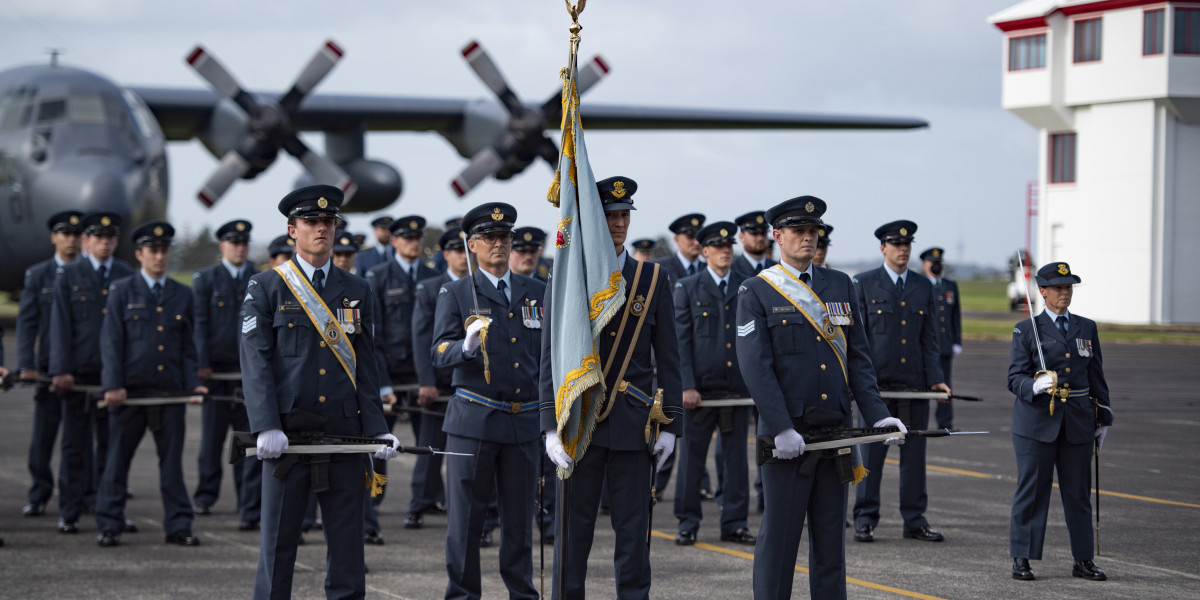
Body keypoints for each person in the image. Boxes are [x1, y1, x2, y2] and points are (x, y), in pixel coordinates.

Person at [735, 195, 904, 599]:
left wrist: (877, 414)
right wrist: (780, 427)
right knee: (779, 544)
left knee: (831, 546)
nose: (807, 238)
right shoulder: (756, 291)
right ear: (777, 236)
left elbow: (858, 357)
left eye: (813, 232)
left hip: (836, 435)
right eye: (798, 231)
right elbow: (756, 369)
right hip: (788, 440)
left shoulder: (840, 284)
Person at [241, 184, 398, 600]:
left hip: (344, 431)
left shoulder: (358, 289)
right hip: (288, 436)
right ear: (292, 230)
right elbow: (255, 363)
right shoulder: (267, 287)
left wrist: (377, 428)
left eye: (328, 222)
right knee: (279, 546)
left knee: (347, 546)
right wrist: (266, 425)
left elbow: (366, 364)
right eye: (311, 222)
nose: (321, 229)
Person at [541, 175, 683, 599]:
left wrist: (673, 425)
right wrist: (549, 425)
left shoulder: (652, 279)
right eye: (610, 216)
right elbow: (550, 357)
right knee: (572, 537)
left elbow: (671, 359)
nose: (619, 224)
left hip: (632, 428)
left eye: (624, 215)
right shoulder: (567, 277)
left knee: (634, 537)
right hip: (579, 424)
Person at [431, 202, 543, 600]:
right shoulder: (457, 291)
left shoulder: (537, 291)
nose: (499, 244)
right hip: (474, 420)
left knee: (519, 523)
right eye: (489, 238)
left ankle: (522, 593)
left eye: (504, 237)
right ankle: (462, 595)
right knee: (465, 524)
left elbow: (546, 360)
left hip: (524, 422)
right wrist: (463, 347)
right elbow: (438, 352)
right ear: (472, 246)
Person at [94, 221, 208, 548]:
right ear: (140, 254)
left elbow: (188, 346)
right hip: (130, 393)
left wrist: (193, 385)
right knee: (117, 462)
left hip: (169, 393)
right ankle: (109, 522)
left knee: (172, 465)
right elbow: (111, 343)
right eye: (153, 251)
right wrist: (112, 385)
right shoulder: (121, 291)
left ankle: (178, 525)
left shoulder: (182, 294)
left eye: (164, 250)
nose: (159, 256)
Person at [1008, 262, 1112, 582]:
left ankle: (1083, 560)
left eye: (1068, 288)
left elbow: (1097, 376)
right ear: (1042, 292)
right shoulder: (1027, 330)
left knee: (1078, 495)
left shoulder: (1086, 327)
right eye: (1058, 288)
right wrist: (1033, 386)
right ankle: (1022, 558)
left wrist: (1104, 416)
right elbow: (1014, 378)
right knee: (1032, 492)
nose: (1064, 293)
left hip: (1077, 421)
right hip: (1037, 422)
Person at [852, 220, 950, 544]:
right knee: (871, 458)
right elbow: (857, 340)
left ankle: (914, 520)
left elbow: (930, 340)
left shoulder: (924, 287)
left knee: (914, 460)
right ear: (883, 248)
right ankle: (865, 519)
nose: (903, 249)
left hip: (914, 387)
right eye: (896, 244)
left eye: (907, 244)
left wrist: (936, 380)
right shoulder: (864, 284)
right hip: (876, 390)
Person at [49, 211, 137, 535]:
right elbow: (60, 327)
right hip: (79, 376)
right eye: (98, 238)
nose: (104, 243)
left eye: (110, 238)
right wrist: (60, 369)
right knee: (75, 446)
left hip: (114, 378)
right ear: (86, 240)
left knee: (112, 449)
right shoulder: (69, 275)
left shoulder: (127, 274)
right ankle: (70, 511)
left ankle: (109, 509)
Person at [672, 221, 755, 547]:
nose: (725, 251)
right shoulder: (688, 288)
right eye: (718, 247)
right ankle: (687, 522)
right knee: (692, 461)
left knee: (736, 464)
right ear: (704, 251)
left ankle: (734, 523)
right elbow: (680, 342)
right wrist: (687, 385)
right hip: (699, 394)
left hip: (736, 390)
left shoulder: (747, 286)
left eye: (729, 246)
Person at [363, 214, 439, 544]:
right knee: (380, 445)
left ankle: (419, 505)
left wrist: (431, 377)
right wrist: (382, 385)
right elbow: (372, 336)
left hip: (423, 375)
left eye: (417, 238)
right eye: (406, 238)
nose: (413, 243)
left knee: (427, 443)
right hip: (390, 374)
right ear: (394, 241)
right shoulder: (377, 277)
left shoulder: (432, 276)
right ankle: (372, 501)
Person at [191, 219, 262, 530]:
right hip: (216, 374)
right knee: (212, 442)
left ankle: (248, 503)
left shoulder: (258, 279)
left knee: (247, 443)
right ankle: (206, 496)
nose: (240, 248)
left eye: (244, 243)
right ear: (222, 247)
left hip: (247, 376)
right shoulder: (206, 279)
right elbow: (199, 325)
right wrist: (201, 365)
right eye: (234, 243)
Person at [16, 210, 82, 523]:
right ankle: (39, 494)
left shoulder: (89, 274)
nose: (70, 240)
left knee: (80, 442)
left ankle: (84, 496)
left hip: (82, 371)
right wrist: (26, 364)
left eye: (75, 234)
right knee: (43, 439)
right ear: (54, 237)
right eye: (64, 234)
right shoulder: (38, 275)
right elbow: (27, 324)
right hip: (46, 370)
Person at [406, 227, 468, 530]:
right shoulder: (431, 288)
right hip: (440, 382)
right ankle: (418, 505)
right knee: (430, 447)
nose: (462, 255)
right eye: (456, 250)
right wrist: (426, 381)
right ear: (446, 254)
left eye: (465, 249)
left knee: (469, 453)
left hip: (469, 381)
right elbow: (421, 338)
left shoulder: (477, 285)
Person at [921, 247, 963, 430]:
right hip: (924, 347)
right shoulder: (920, 284)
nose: (936, 266)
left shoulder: (949, 286)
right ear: (925, 264)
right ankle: (917, 421)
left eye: (939, 263)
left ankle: (945, 422)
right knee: (921, 385)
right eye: (933, 262)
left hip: (945, 345)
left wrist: (957, 341)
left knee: (946, 384)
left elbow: (955, 316)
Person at [731, 210, 777, 279]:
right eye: (754, 234)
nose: (760, 238)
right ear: (741, 237)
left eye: (763, 233)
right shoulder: (732, 270)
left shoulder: (777, 268)